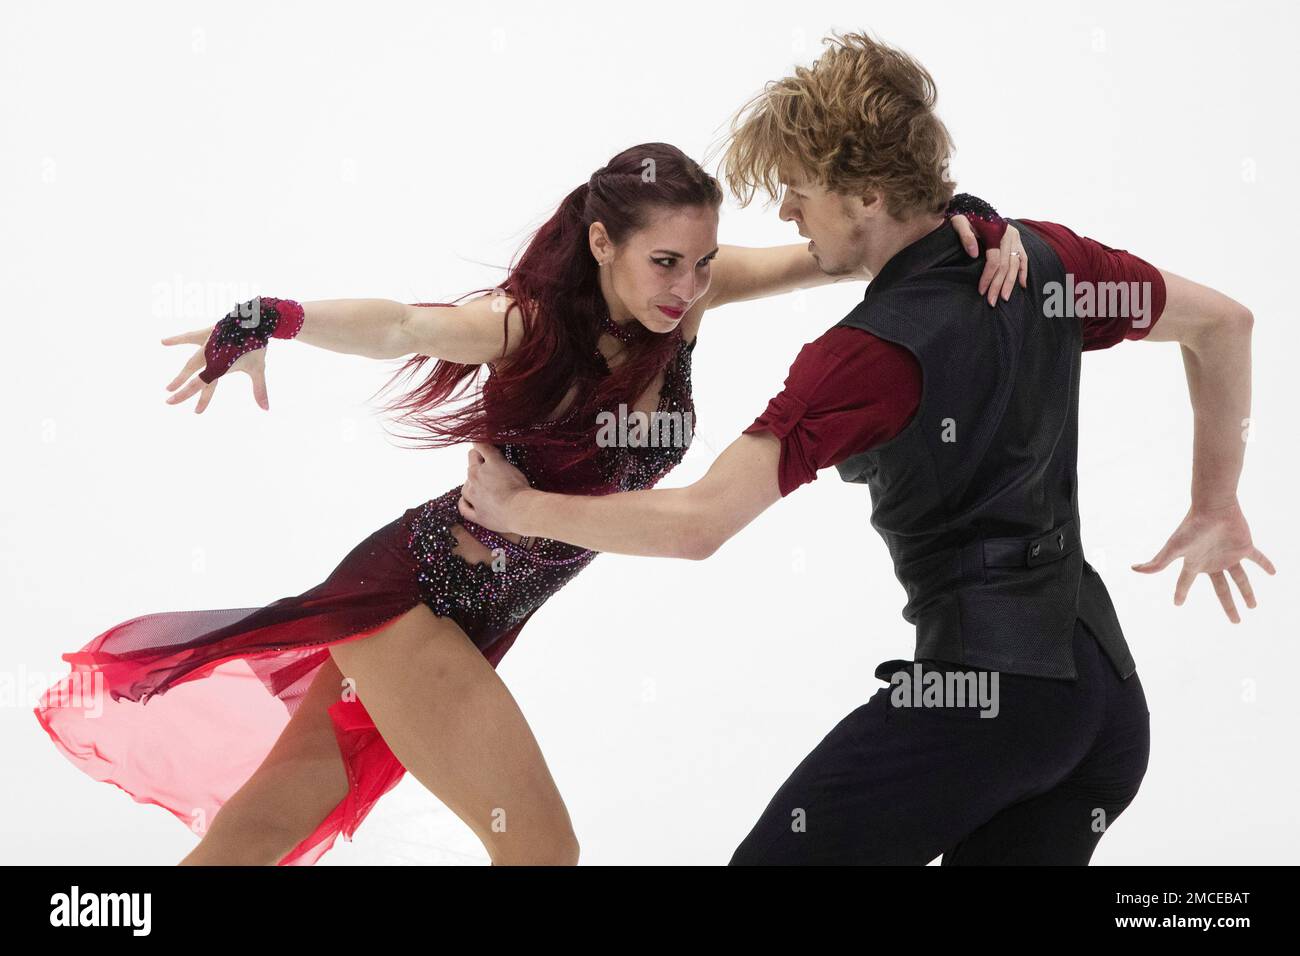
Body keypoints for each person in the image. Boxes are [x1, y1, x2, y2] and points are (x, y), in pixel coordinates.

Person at [31, 141, 1019, 866]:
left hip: (473, 623)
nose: (686, 287)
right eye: (663, 263)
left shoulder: (690, 306)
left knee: (261, 828)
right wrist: (276, 318)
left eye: (703, 263)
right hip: (412, 598)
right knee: (541, 849)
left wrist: (962, 215)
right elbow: (403, 324)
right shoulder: (532, 326)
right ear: (602, 242)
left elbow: (843, 249)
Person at [458, 32, 1276, 864]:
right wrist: (1217, 502)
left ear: (870, 196)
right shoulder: (1041, 258)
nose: (786, 211)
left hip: (987, 708)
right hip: (1102, 707)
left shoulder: (866, 358)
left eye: (800, 191)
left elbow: (698, 523)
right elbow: (1223, 324)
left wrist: (522, 509)